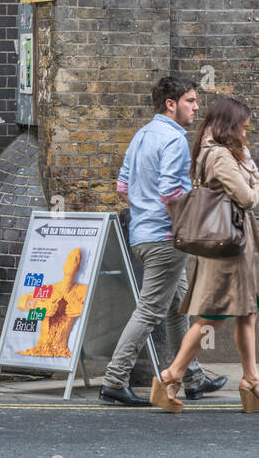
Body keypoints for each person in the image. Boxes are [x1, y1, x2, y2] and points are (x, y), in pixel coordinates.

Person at [105, 77, 222, 406]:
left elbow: (123, 186)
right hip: (166, 238)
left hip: (143, 234)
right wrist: (183, 229)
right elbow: (172, 191)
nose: (196, 107)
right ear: (170, 104)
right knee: (150, 311)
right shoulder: (174, 138)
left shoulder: (142, 135)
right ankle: (114, 379)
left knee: (178, 307)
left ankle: (193, 377)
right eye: (190, 100)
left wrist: (145, 215)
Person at [151, 95, 259, 414]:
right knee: (213, 315)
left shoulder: (223, 151)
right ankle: (172, 375)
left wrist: (248, 163)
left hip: (236, 245)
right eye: (241, 128)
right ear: (229, 126)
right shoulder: (220, 156)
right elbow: (247, 197)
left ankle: (251, 379)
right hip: (228, 247)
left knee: (246, 312)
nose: (245, 134)